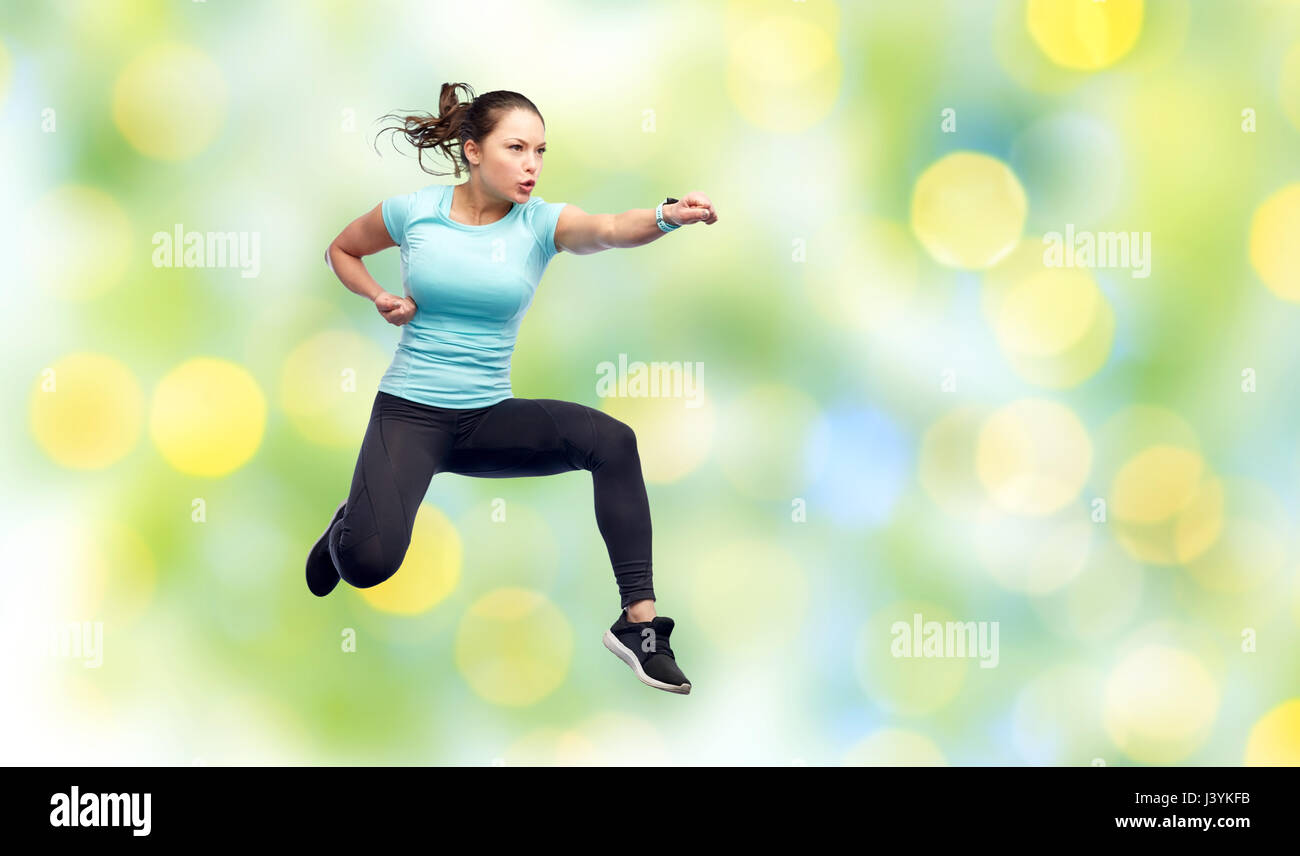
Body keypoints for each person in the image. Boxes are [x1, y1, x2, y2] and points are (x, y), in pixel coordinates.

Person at [307, 82, 718, 694]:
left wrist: (667, 216)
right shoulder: (412, 212)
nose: (532, 165)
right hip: (410, 415)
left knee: (613, 442)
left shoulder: (539, 223)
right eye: (517, 148)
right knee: (367, 565)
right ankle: (350, 524)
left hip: (486, 420)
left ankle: (639, 625)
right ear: (473, 151)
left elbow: (608, 226)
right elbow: (341, 249)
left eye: (540, 151)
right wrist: (379, 296)